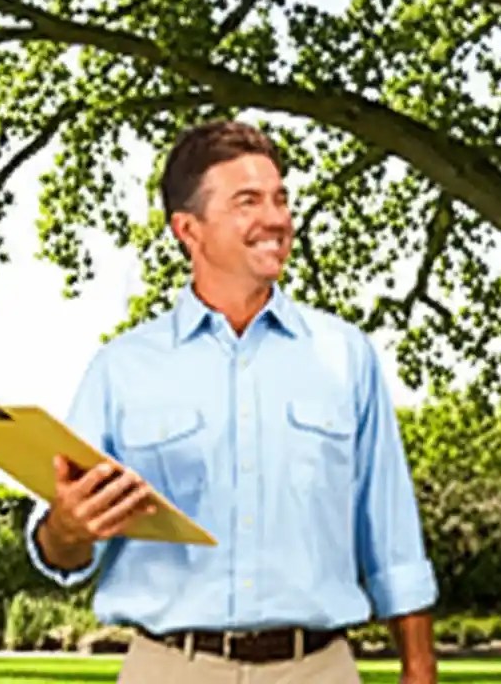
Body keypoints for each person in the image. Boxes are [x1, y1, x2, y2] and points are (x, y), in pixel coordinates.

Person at [23, 119, 439, 683]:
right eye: (248, 202)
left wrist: (419, 669)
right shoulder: (121, 370)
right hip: (168, 670)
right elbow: (66, 549)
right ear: (188, 229)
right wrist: (66, 530)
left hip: (318, 670)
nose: (276, 220)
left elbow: (392, 537)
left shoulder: (346, 356)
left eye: (280, 199)